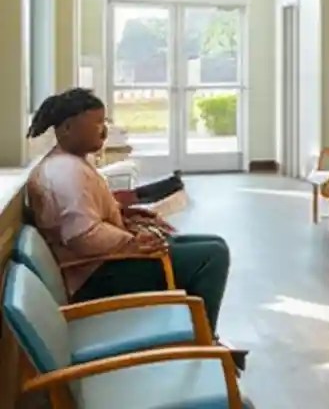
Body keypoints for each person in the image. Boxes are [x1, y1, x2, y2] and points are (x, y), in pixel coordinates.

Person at [24, 88, 247, 369]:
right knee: (210, 257)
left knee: (212, 243)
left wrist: (127, 218)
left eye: (104, 122)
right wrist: (131, 242)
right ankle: (202, 343)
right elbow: (83, 236)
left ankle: (199, 335)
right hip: (97, 275)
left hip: (104, 261)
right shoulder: (64, 173)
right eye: (96, 123)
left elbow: (88, 220)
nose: (103, 131)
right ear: (67, 128)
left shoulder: (70, 163)